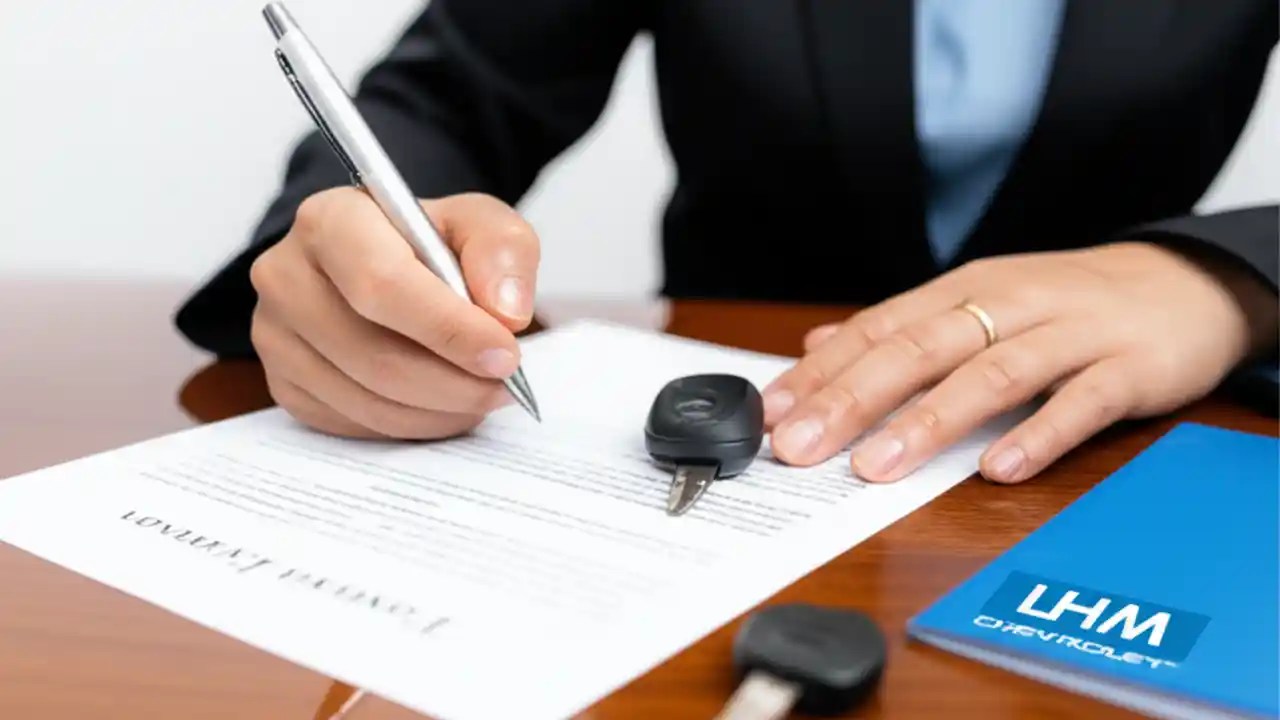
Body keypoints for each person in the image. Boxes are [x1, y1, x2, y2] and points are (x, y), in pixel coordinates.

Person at [176, 0, 1279, 485]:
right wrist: (339, 255)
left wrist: (1226, 282)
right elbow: (449, 96)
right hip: (730, 416)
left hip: (1102, 455)